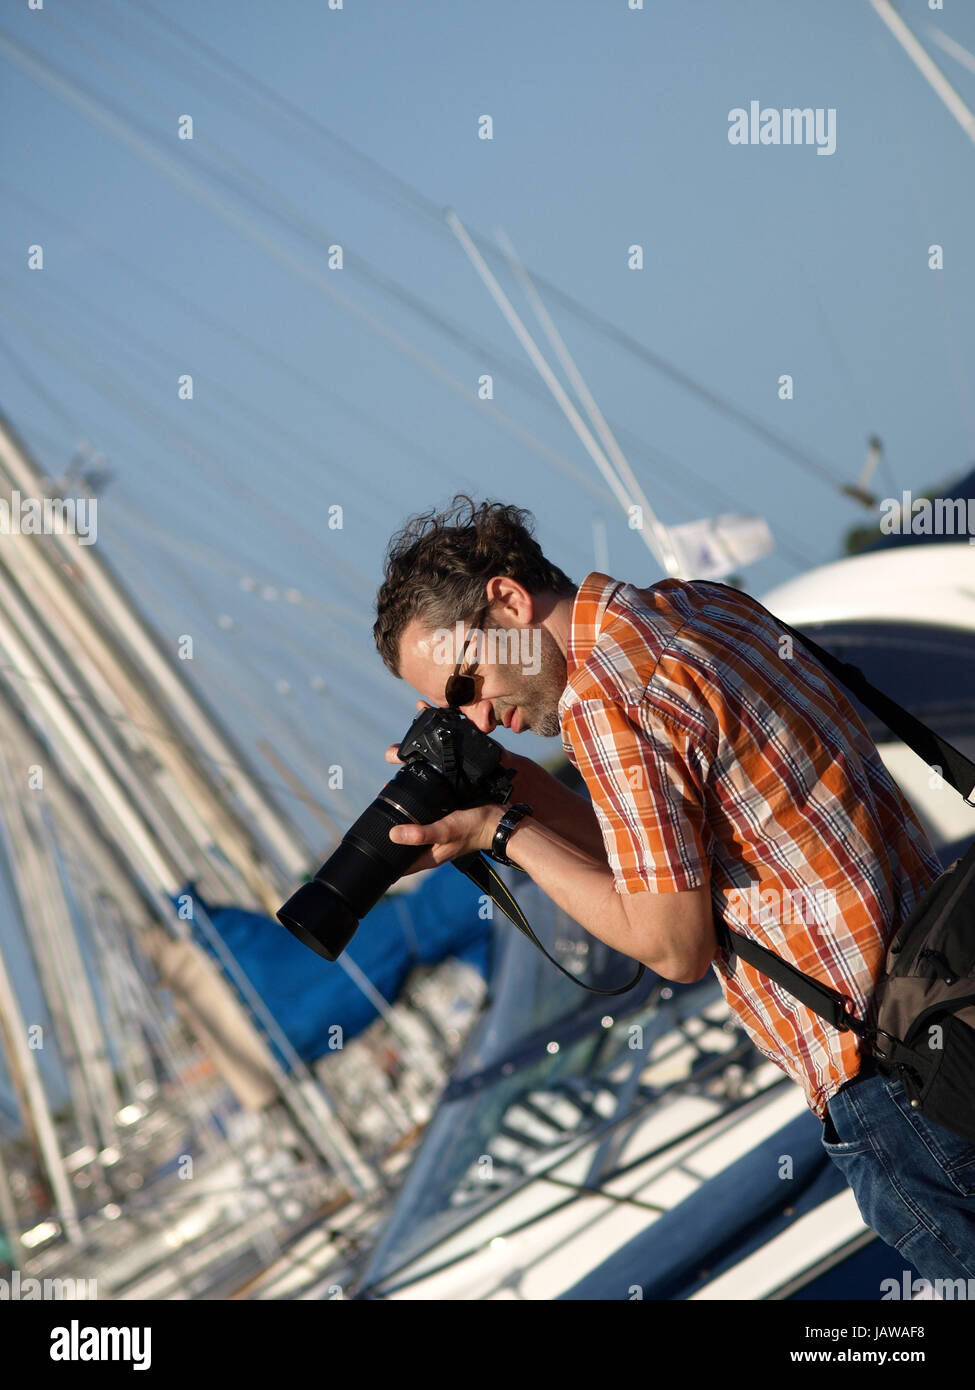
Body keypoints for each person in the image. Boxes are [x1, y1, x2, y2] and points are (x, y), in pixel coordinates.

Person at [372, 494, 975, 1286]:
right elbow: (668, 864)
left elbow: (672, 945)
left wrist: (498, 836)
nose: (478, 718)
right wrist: (514, 790)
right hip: (951, 998)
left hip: (887, 1074)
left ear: (508, 601)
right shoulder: (698, 610)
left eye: (465, 685)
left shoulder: (607, 700)